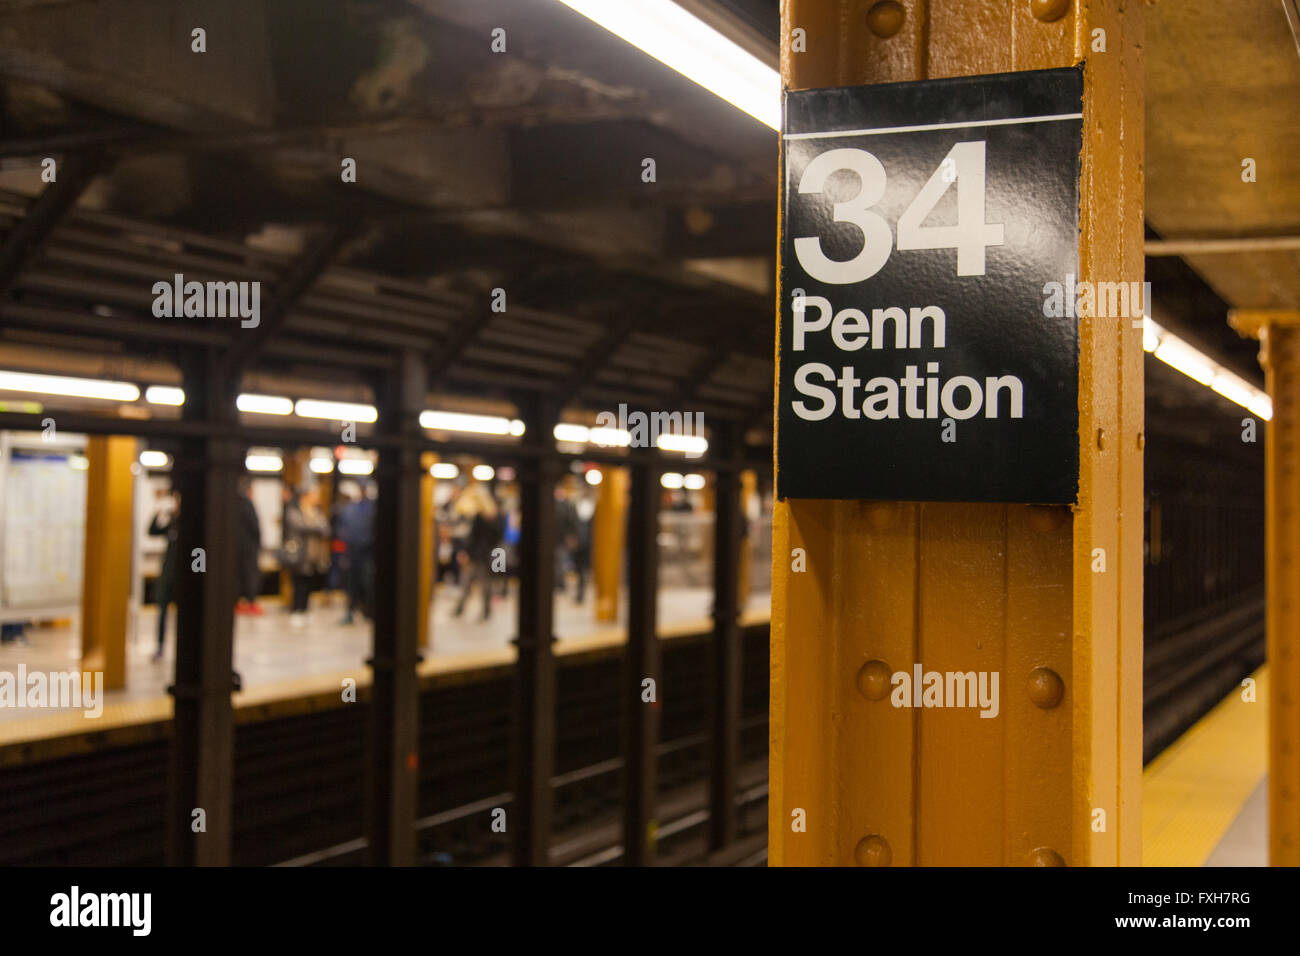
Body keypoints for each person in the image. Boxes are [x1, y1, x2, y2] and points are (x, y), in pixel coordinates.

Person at [281, 486, 330, 628]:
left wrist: (314, 525)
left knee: (309, 582)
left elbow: (325, 529)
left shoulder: (317, 513)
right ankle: (296, 609)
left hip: (312, 555)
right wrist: (315, 526)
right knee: (298, 583)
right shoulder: (294, 511)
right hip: (299, 554)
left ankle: (305, 609)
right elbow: (301, 527)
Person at [453, 482, 501, 622]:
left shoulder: (480, 517)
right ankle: (475, 609)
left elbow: (473, 537)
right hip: (486, 554)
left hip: (478, 555)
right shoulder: (491, 516)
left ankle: (465, 608)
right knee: (480, 583)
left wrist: (465, 552)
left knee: (470, 582)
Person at [149, 488, 180, 661]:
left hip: (183, 577)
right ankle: (160, 646)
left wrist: (199, 572)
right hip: (167, 574)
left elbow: (200, 552)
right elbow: (152, 531)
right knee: (162, 611)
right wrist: (158, 511)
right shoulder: (171, 522)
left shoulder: (193, 524)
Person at [338, 483, 376, 625]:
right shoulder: (350, 509)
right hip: (353, 551)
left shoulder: (371, 508)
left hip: (367, 551)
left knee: (367, 581)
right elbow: (343, 529)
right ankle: (351, 610)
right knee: (351, 582)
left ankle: (369, 611)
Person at [235, 477, 264, 615]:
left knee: (237, 575)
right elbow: (255, 526)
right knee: (251, 574)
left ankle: (237, 601)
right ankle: (251, 601)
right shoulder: (248, 504)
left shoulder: (233, 503)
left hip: (236, 548)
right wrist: (258, 544)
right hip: (249, 547)